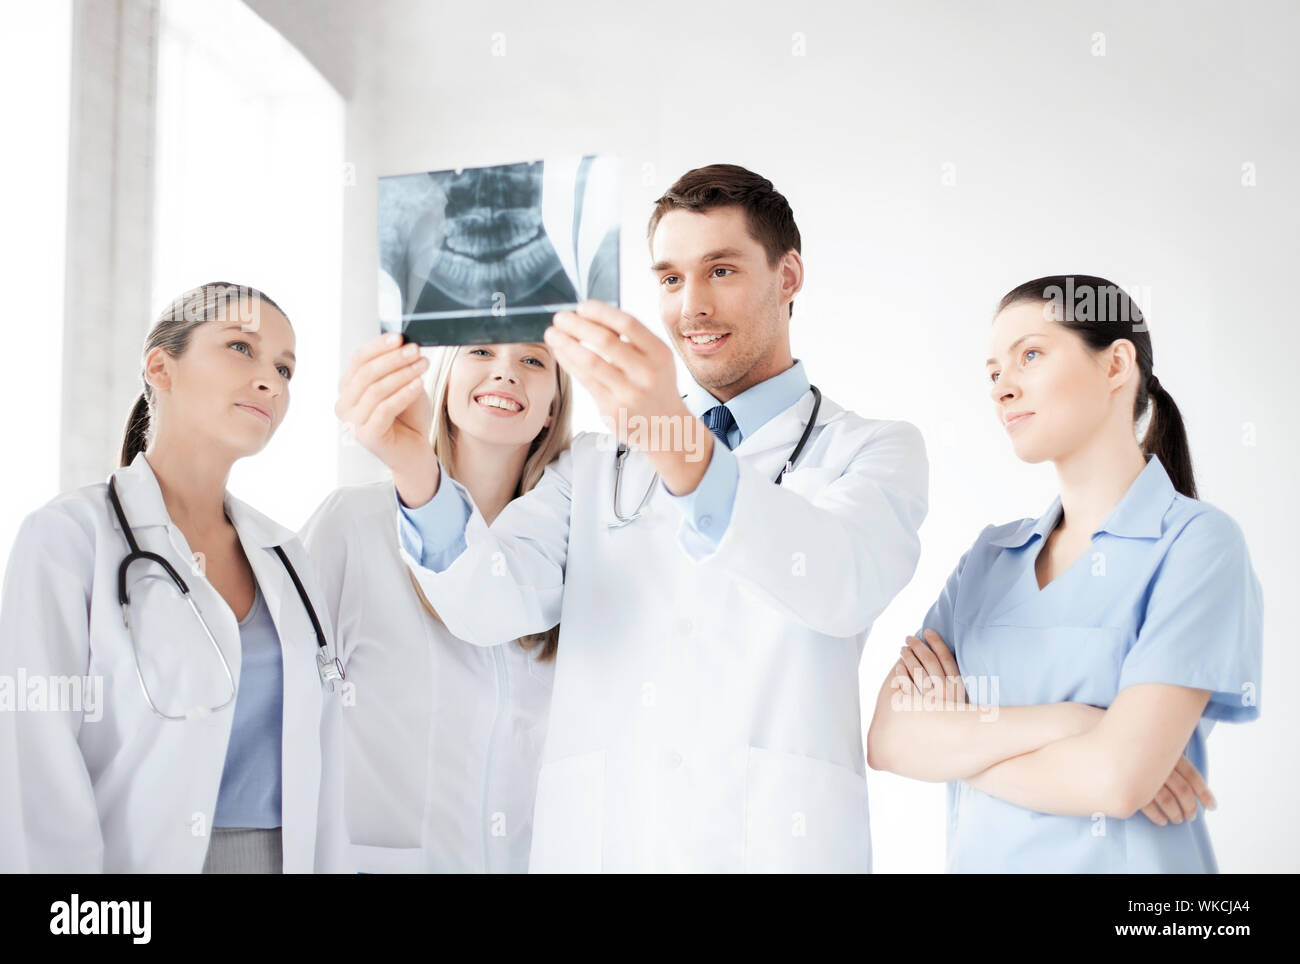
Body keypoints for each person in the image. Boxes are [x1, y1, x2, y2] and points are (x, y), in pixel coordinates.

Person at [339, 164, 929, 872]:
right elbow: (488, 601)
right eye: (672, 279)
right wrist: (413, 469)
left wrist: (674, 441)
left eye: (721, 271)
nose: (692, 307)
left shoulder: (873, 450)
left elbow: (840, 584)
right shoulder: (593, 466)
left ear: (789, 275)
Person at [866, 274, 1263, 873]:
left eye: (1030, 355)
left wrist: (959, 739)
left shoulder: (1196, 544)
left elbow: (1115, 780)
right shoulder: (988, 560)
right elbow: (890, 743)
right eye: (994, 371)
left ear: (1115, 365)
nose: (1002, 388)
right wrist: (1075, 723)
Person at [0, 282, 346, 873]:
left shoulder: (285, 554)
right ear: (161, 367)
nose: (271, 380)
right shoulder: (69, 537)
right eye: (242, 348)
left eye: (286, 369)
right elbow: (35, 769)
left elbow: (326, 763)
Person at [300, 338, 572, 873]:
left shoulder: (573, 551)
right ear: (444, 380)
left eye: (533, 360)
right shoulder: (352, 525)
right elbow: (285, 709)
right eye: (480, 353)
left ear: (551, 412)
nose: (505, 372)